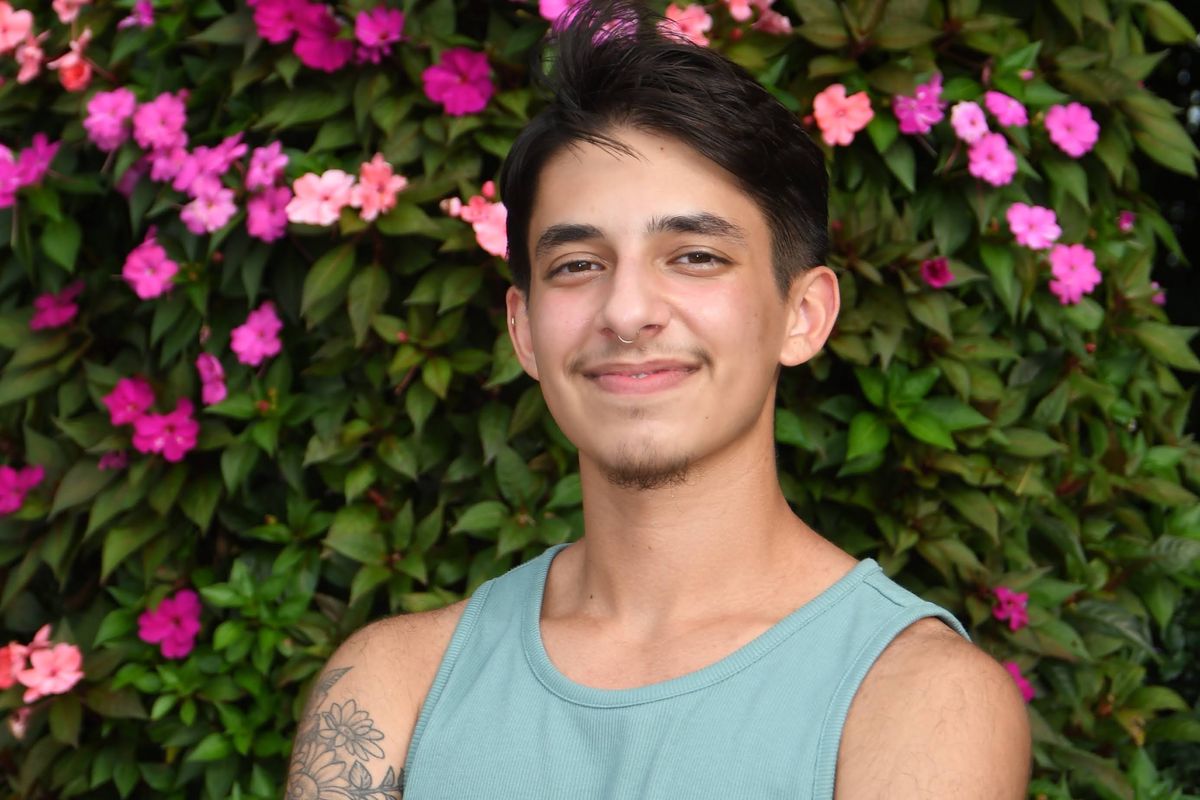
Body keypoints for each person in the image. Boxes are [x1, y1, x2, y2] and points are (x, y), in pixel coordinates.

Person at [285, 2, 1031, 797]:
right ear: (524, 329)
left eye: (696, 256)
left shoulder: (919, 697)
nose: (627, 310)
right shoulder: (392, 687)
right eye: (577, 264)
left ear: (803, 315)